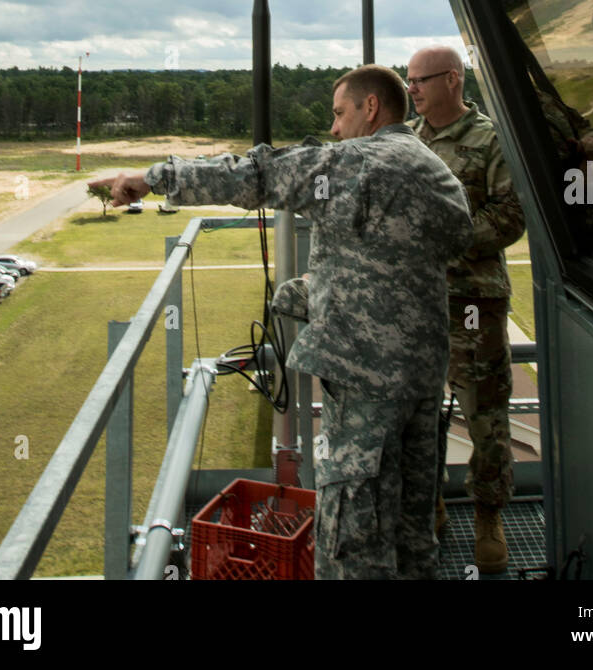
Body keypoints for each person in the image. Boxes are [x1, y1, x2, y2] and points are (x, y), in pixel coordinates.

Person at [88, 63, 473, 581]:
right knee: (412, 532)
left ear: (371, 108)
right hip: (422, 380)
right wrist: (320, 290)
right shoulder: (433, 168)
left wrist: (150, 178)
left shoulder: (356, 162)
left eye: (340, 113)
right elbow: (409, 258)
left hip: (366, 387)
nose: (334, 129)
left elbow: (255, 174)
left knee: (352, 544)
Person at [406, 45, 525, 575]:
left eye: (420, 81)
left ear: (453, 80)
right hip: (417, 302)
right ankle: (429, 505)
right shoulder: (406, 141)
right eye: (407, 81)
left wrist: (444, 239)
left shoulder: (491, 139)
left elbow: (511, 216)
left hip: (474, 303)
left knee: (485, 416)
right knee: (419, 414)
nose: (412, 90)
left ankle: (487, 517)